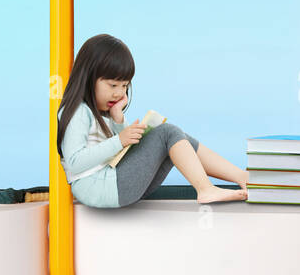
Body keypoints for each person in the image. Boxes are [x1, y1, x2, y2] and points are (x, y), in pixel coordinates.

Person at [56, 33, 248, 208]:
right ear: (88, 78)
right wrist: (120, 139)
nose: (119, 92)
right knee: (167, 133)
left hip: (110, 184)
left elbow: (116, 155)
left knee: (177, 138)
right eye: (113, 84)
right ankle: (205, 189)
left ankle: (240, 176)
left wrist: (118, 119)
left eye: (124, 86)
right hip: (99, 188)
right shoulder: (78, 111)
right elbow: (74, 162)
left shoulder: (100, 113)